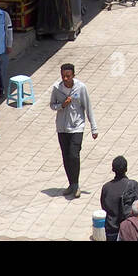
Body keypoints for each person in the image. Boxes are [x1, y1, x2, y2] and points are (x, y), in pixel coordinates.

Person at [50, 63, 98, 197]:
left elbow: (88, 107)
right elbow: (52, 105)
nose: (65, 79)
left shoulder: (81, 88)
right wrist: (62, 105)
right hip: (62, 127)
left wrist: (94, 128)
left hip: (77, 127)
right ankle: (71, 184)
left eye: (68, 76)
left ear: (73, 75)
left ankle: (76, 185)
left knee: (74, 155)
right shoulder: (56, 88)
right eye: (63, 76)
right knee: (66, 156)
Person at [100, 156, 138, 243]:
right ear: (126, 169)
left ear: (113, 169)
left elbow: (104, 206)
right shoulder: (133, 185)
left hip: (111, 230)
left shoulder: (106, 187)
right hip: (129, 230)